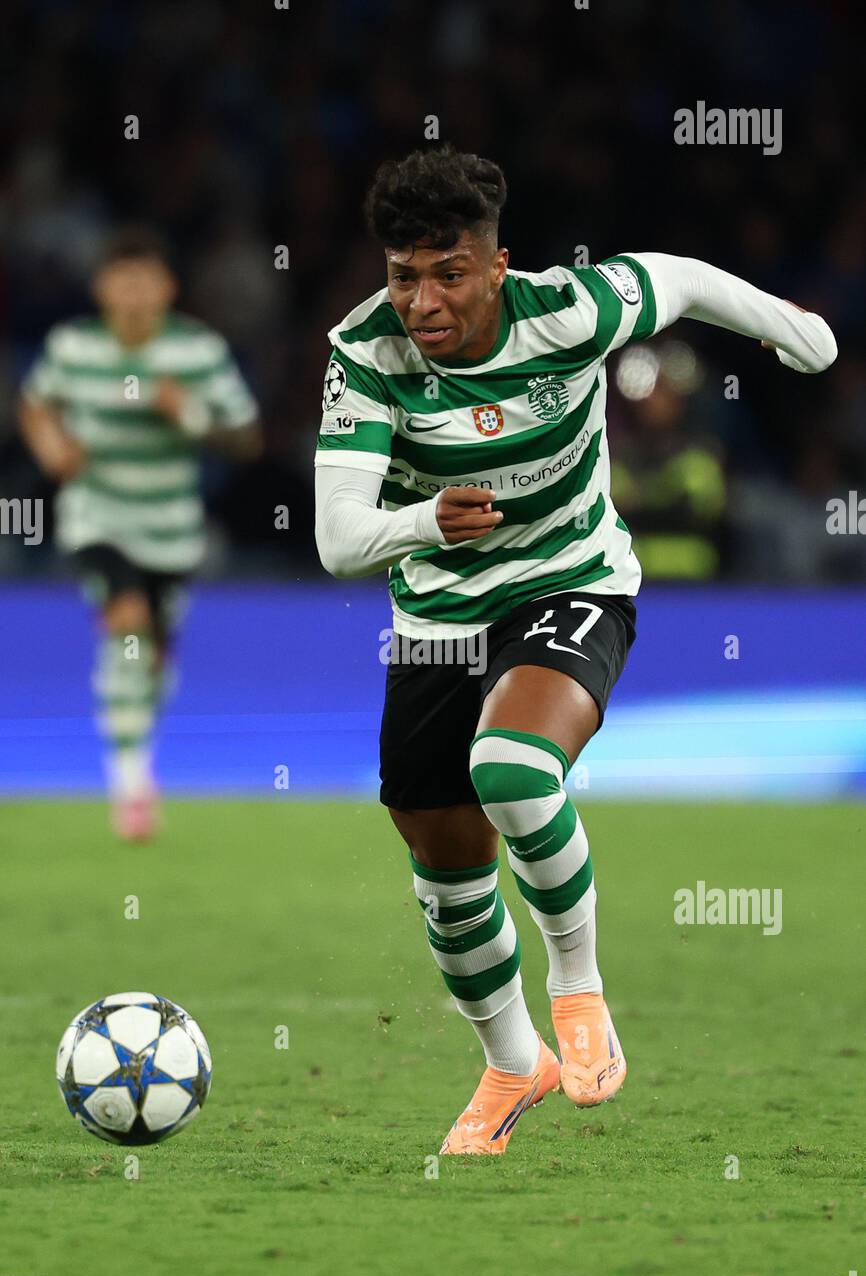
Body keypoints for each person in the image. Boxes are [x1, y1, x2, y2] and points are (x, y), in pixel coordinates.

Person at [314, 146, 836, 1155]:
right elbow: (338, 538)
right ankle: (512, 1062)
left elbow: (679, 281)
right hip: (434, 619)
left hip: (570, 580)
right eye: (402, 275)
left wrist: (794, 331)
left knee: (509, 765)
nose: (421, 299)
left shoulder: (568, 311)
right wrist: (425, 520)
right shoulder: (364, 351)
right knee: (445, 868)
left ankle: (577, 985)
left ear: (495, 266)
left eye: (446, 273)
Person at [19, 228, 262, 839]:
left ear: (166, 288)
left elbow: (249, 437)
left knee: (146, 659)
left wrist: (192, 413)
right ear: (101, 288)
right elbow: (34, 402)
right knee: (124, 621)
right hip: (97, 519)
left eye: (143, 281)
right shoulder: (73, 346)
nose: (131, 294)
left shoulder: (197, 351)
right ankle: (129, 782)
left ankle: (135, 759)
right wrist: (51, 444)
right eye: (120, 281)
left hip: (171, 530)